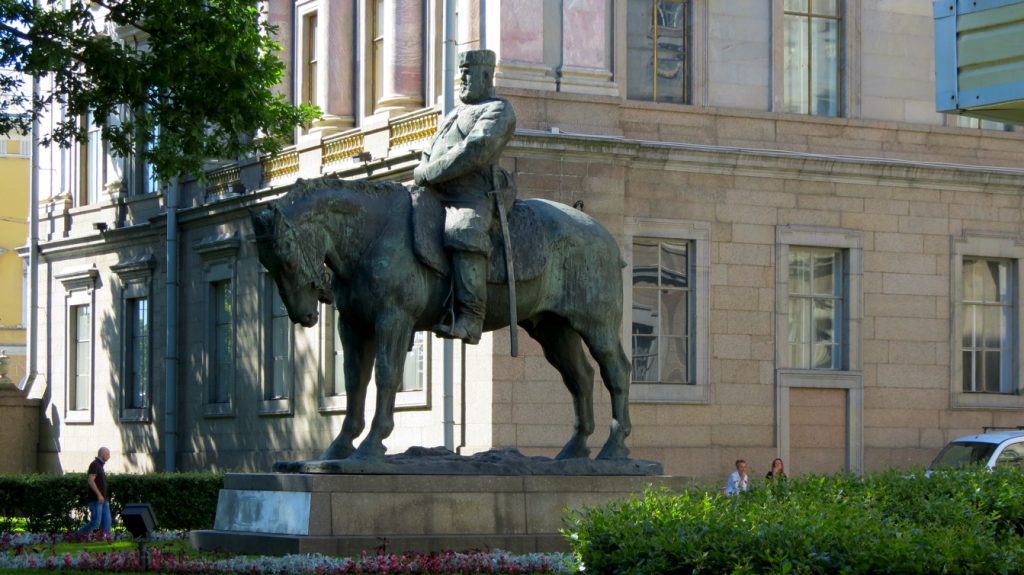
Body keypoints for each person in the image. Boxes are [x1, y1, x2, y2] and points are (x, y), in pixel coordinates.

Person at [413, 48, 517, 345]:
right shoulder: (454, 114)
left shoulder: (498, 109)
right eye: (461, 73)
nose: (462, 79)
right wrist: (422, 169)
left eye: (468, 74)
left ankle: (470, 317)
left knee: (463, 230)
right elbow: (430, 150)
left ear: (486, 76)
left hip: (472, 192)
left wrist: (429, 173)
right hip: (434, 189)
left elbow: (475, 149)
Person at [77, 447, 112, 535]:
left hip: (104, 499)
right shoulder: (95, 464)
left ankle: (105, 539)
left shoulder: (100, 465)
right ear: (102, 454)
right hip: (96, 499)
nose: (109, 456)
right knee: (95, 522)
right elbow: (90, 481)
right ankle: (77, 535)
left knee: (107, 522)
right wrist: (99, 495)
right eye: (107, 454)